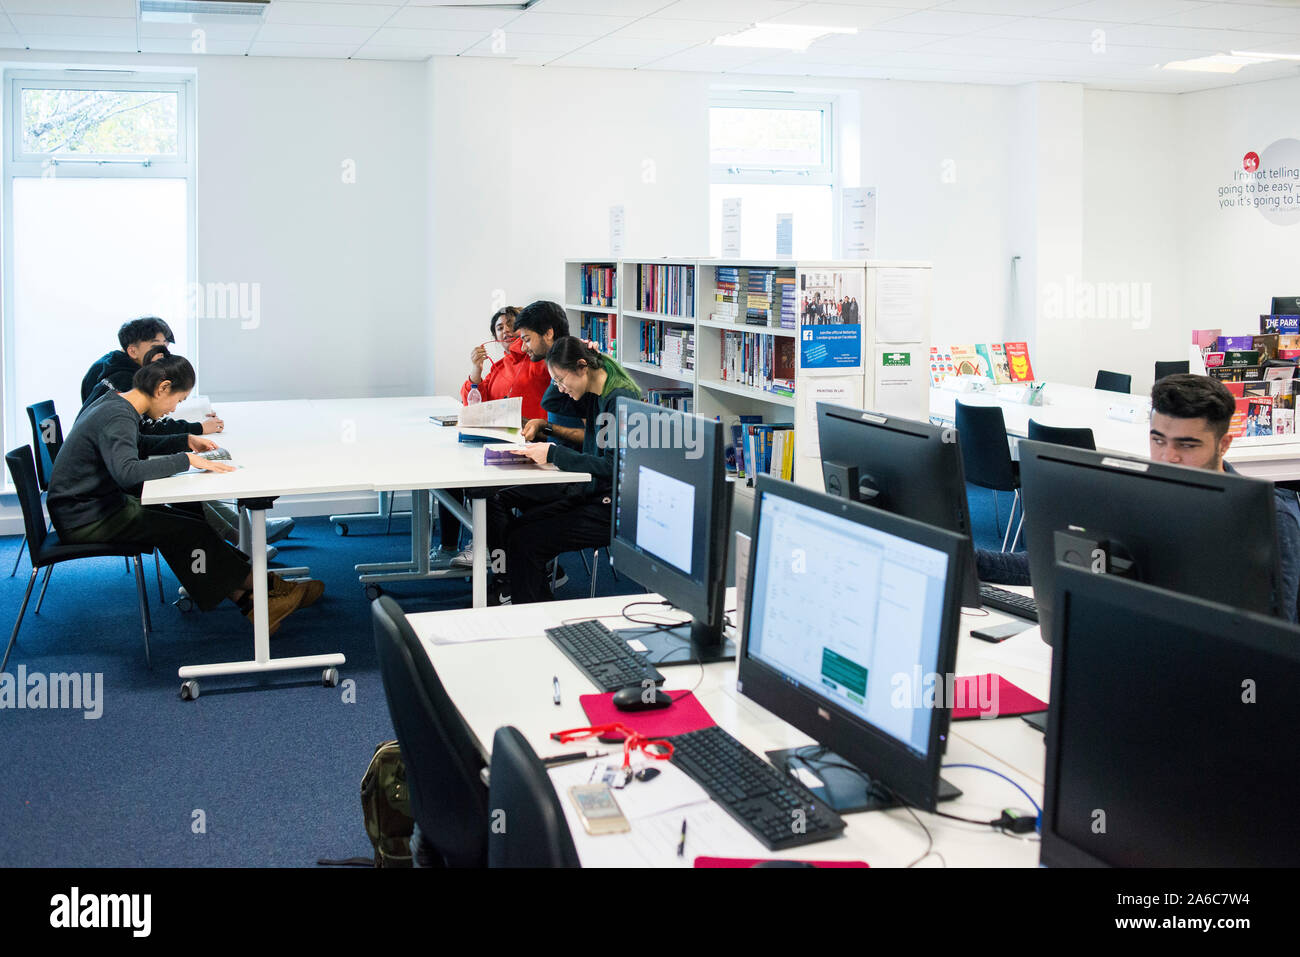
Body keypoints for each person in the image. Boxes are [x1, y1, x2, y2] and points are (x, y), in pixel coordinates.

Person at [978, 373, 1300, 622]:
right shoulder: (1133, 499)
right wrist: (974, 560)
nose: (1166, 457)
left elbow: (1276, 634)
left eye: (1186, 446)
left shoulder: (1270, 518)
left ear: (1224, 445)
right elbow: (1059, 561)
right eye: (1158, 440)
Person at [48, 348, 322, 634]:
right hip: (86, 517)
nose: (174, 409)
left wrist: (184, 439)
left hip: (93, 505)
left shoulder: (115, 403)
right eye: (178, 400)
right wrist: (185, 459)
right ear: (162, 388)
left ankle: (253, 600)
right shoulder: (118, 416)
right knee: (185, 531)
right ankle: (266, 589)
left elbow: (137, 444)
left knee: (189, 520)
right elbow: (127, 472)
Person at [79, 318, 294, 545]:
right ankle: (242, 544)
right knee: (181, 490)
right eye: (156, 344)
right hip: (102, 490)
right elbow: (143, 438)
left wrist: (185, 438)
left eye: (165, 344)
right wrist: (195, 434)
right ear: (132, 350)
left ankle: (245, 538)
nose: (163, 352)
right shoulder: (124, 388)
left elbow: (140, 436)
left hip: (108, 470)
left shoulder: (115, 370)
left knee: (185, 478)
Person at [484, 337, 642, 604]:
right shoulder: (595, 391)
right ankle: (535, 604)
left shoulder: (619, 399)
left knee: (525, 541)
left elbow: (613, 466)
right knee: (518, 534)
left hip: (613, 509)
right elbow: (552, 403)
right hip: (594, 492)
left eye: (560, 378)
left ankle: (533, 611)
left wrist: (553, 453)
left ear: (582, 367)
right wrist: (557, 374)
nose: (559, 386)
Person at [446, 300, 583, 569]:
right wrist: (476, 371)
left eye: (514, 327)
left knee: (485, 487)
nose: (507, 332)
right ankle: (458, 546)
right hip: (504, 438)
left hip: (535, 443)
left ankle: (495, 556)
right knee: (452, 474)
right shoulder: (501, 366)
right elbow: (476, 404)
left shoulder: (542, 361)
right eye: (500, 328)